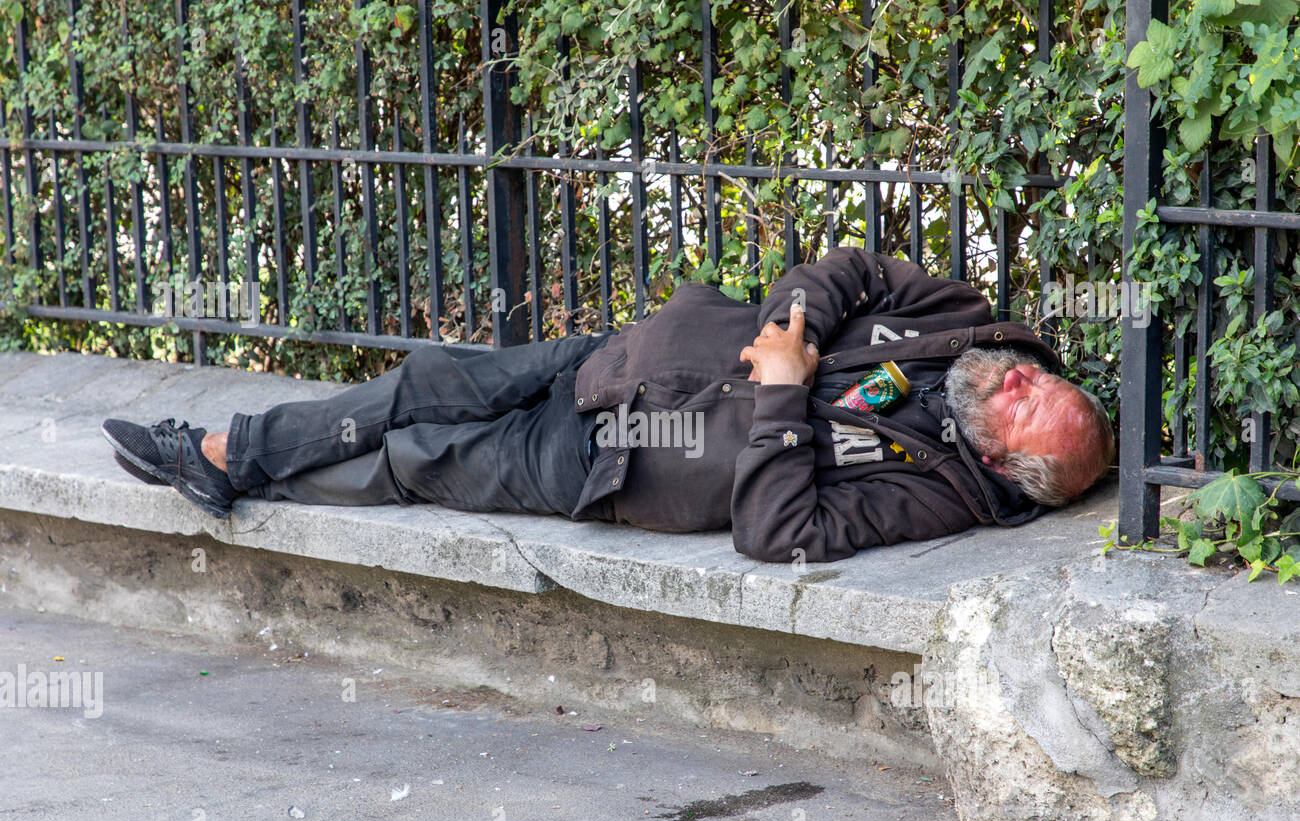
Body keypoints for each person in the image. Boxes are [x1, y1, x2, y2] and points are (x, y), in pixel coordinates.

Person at [102, 247, 1114, 563]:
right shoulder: (969, 329)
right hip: (628, 353)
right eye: (1042, 376)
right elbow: (845, 267)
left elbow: (777, 528)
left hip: (627, 459)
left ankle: (242, 467)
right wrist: (794, 325)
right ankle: (229, 449)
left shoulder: (933, 491)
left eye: (1028, 400)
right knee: (426, 381)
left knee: (420, 457)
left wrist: (777, 400)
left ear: (1001, 463)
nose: (1020, 374)